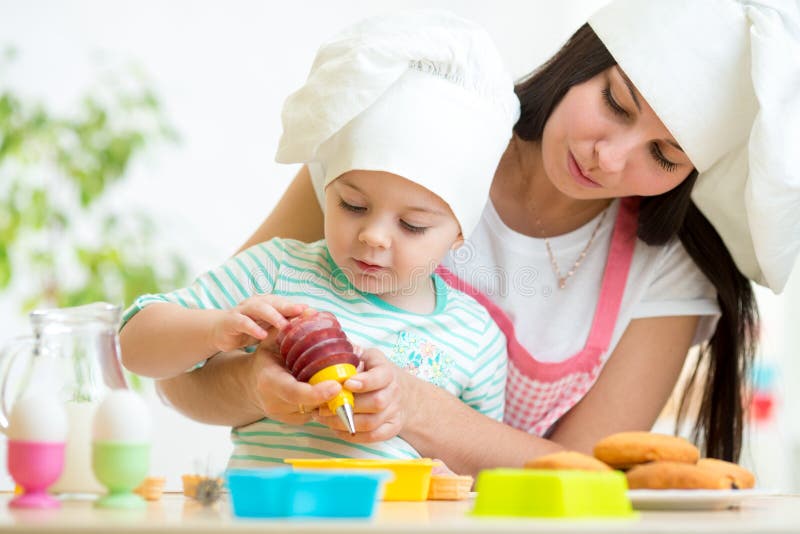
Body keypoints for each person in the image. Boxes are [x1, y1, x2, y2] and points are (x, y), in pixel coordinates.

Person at [155, 0, 800, 475]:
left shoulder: (665, 272)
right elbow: (183, 369)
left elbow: (583, 475)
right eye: (615, 103)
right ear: (583, 59)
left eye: (663, 155)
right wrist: (252, 387)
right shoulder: (392, 146)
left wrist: (414, 407)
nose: (610, 157)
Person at [119, 11, 516, 466]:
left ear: (459, 235)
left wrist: (402, 416)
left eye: (412, 226)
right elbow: (132, 345)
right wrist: (213, 330)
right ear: (325, 189)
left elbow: (483, 474)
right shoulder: (277, 272)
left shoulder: (475, 338)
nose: (373, 236)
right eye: (352, 205)